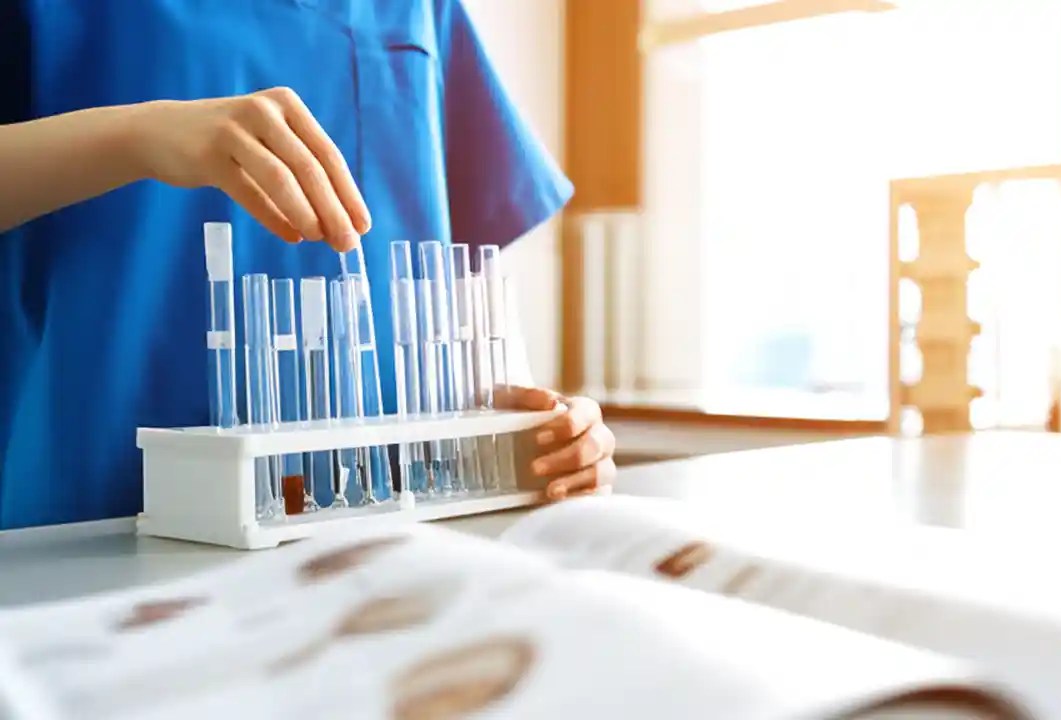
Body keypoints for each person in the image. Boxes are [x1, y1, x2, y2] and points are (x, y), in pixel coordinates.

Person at [0, 0, 615, 529]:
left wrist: (549, 439)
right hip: (93, 523)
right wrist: (135, 135)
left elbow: (465, 280)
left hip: (395, 530)